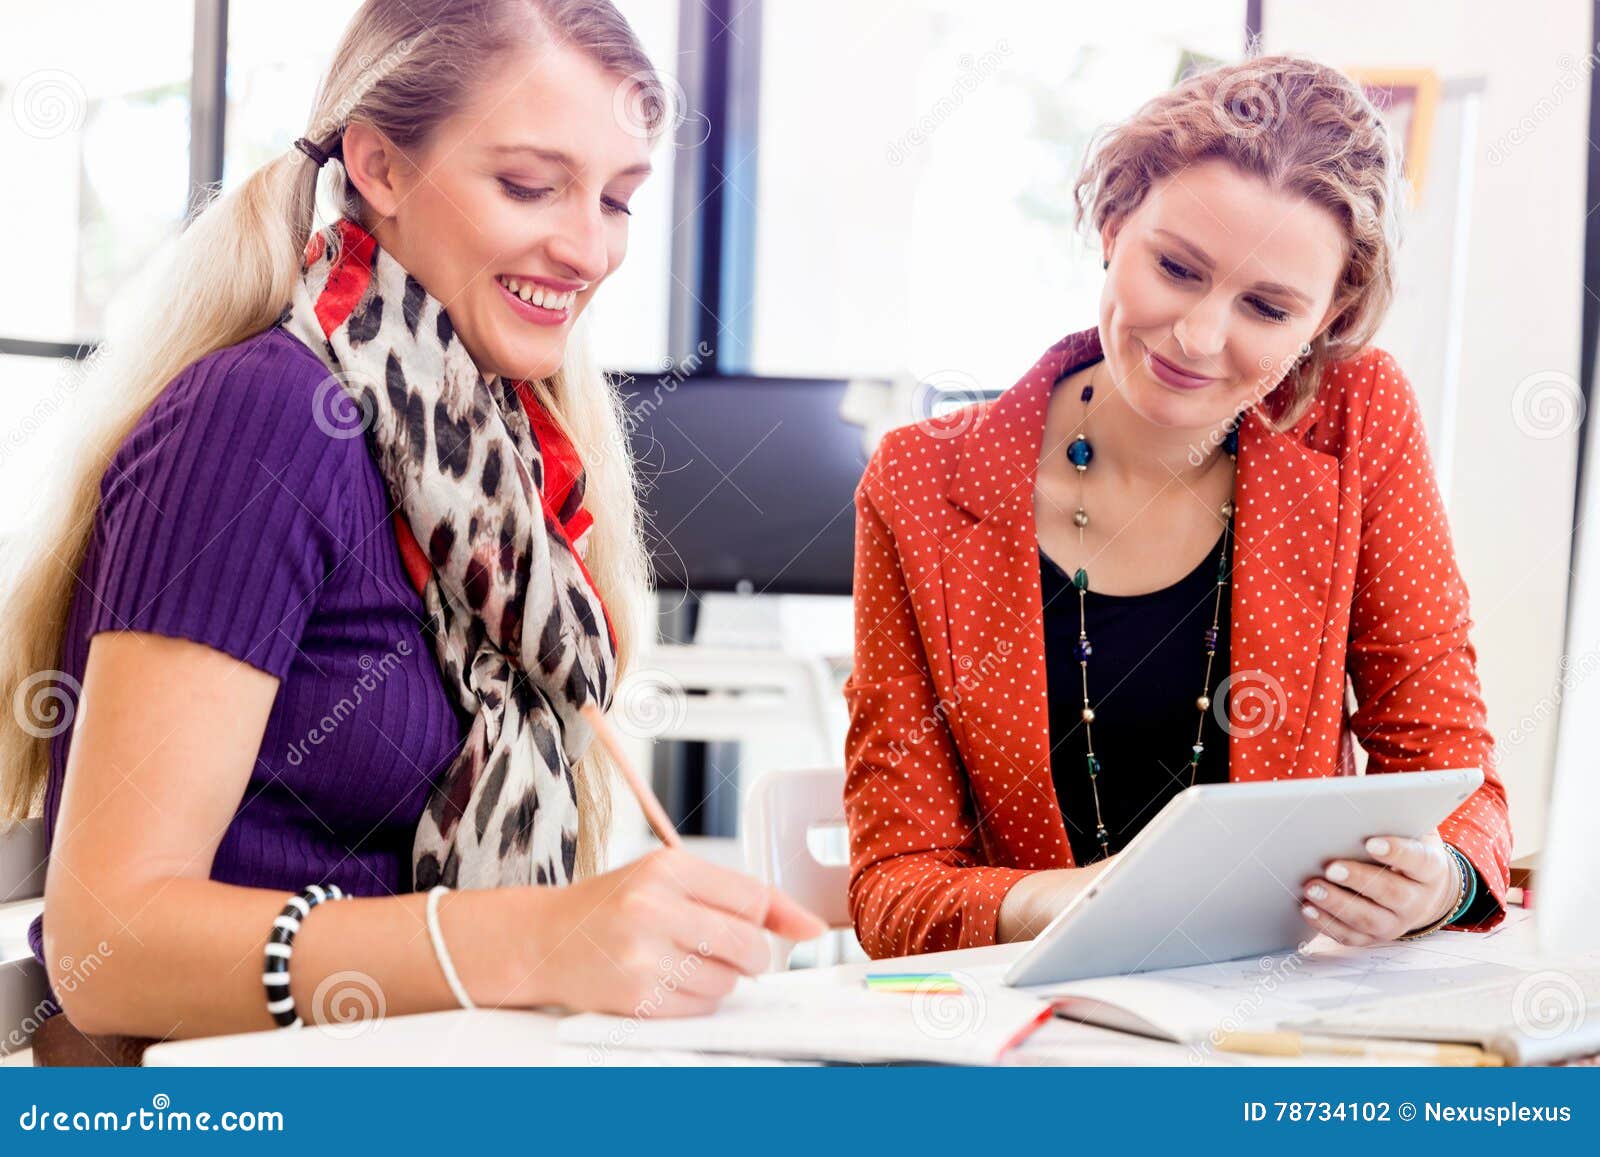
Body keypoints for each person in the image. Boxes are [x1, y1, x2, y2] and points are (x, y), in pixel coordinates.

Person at [0, 0, 821, 1064]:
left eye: (617, 199)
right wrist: (543, 938)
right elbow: (104, 948)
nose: (587, 247)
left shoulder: (502, 452)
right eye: (529, 185)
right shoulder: (257, 420)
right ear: (379, 169)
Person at [843, 55, 1509, 959]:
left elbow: (1458, 781)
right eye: (1177, 267)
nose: (1198, 337)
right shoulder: (920, 482)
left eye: (1267, 307)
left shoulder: (1357, 419)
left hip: (1277, 1028)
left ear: (1329, 314)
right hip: (1037, 1038)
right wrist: (1080, 902)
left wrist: (1437, 884)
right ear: (1115, 220)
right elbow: (893, 887)